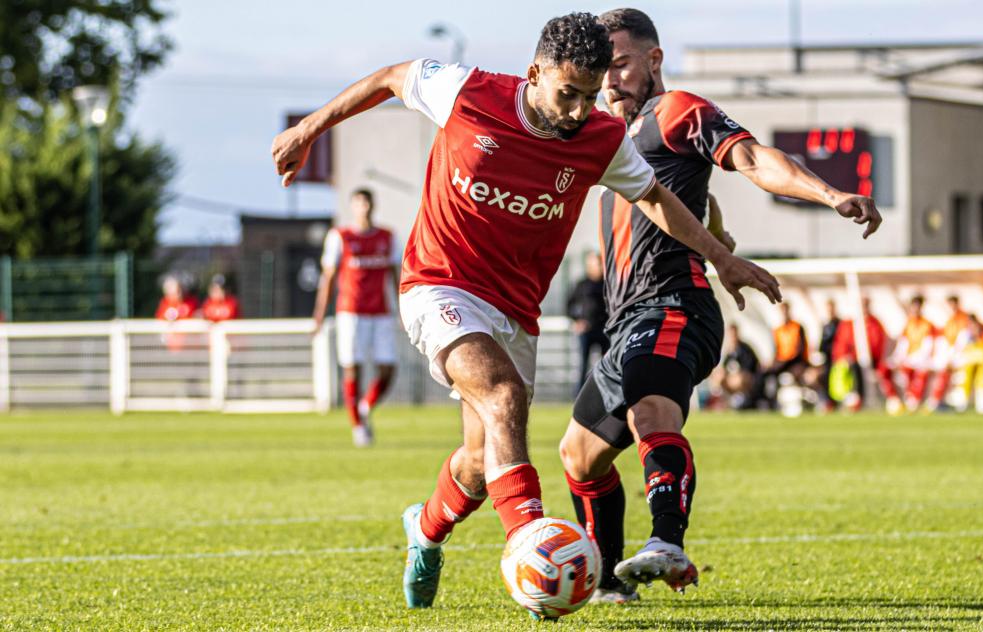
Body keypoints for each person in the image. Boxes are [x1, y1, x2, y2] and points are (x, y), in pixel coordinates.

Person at [272, 12, 775, 611]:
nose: (578, 111)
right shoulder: (467, 90)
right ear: (534, 73)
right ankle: (531, 545)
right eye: (567, 94)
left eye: (590, 97)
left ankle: (426, 531)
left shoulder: (598, 138)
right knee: (504, 395)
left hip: (514, 309)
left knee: (480, 465)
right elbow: (388, 77)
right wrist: (309, 128)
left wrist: (722, 257)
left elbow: (655, 198)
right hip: (439, 284)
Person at [557, 8, 882, 603]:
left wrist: (830, 194)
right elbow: (689, 199)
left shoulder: (678, 110)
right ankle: (608, 585)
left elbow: (753, 159)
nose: (610, 81)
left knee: (651, 412)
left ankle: (666, 541)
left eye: (622, 65)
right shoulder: (609, 133)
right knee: (579, 456)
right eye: (604, 69)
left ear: (653, 60)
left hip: (675, 304)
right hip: (628, 318)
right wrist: (720, 235)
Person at [313, 188, 399, 448]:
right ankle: (358, 427)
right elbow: (328, 276)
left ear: (374, 205)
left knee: (388, 369)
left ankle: (364, 406)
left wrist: (403, 308)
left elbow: (395, 275)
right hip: (350, 311)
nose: (365, 207)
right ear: (353, 207)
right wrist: (319, 313)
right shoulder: (341, 237)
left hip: (381, 312)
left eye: (368, 202)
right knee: (354, 367)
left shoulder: (388, 237)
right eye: (360, 203)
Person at [831, 297, 895, 413]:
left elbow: (879, 345)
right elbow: (841, 344)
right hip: (851, 361)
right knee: (848, 370)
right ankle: (845, 400)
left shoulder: (875, 324)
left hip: (873, 361)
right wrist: (845, 356)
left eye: (866, 305)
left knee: (883, 371)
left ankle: (892, 400)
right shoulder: (848, 324)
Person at [566, 251, 610, 391]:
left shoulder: (608, 283)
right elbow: (569, 306)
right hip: (587, 330)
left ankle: (607, 391)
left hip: (605, 329)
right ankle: (580, 394)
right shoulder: (582, 284)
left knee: (608, 363)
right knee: (583, 364)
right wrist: (577, 321)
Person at [925, 295, 970, 412]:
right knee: (941, 372)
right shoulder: (950, 320)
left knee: (948, 373)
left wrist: (953, 357)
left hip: (962, 356)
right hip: (951, 355)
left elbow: (962, 341)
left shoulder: (963, 319)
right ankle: (937, 400)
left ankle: (938, 400)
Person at [891, 295, 935, 412]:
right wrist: (898, 358)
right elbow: (903, 344)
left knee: (921, 373)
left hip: (921, 359)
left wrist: (921, 358)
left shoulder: (927, 325)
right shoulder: (908, 324)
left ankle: (915, 400)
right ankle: (900, 400)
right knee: (899, 374)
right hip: (909, 359)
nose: (915, 310)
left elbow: (928, 345)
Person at [707, 324, 761, 410]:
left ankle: (740, 398)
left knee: (740, 379)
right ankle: (719, 399)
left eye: (734, 334)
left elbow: (749, 368)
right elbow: (725, 367)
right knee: (718, 375)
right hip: (731, 379)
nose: (732, 337)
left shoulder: (745, 349)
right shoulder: (729, 351)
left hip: (747, 379)